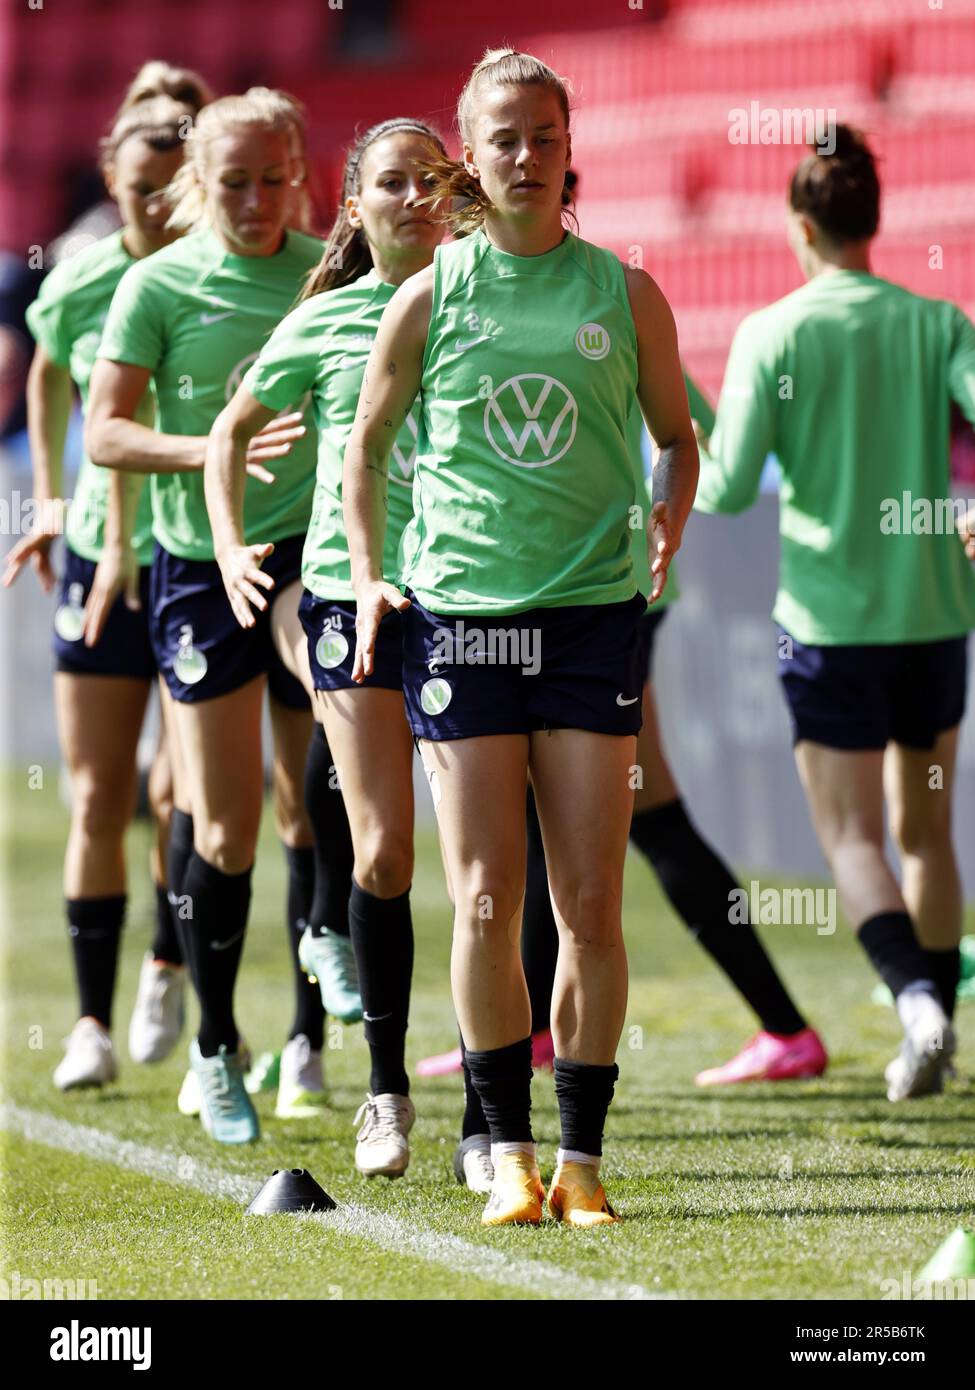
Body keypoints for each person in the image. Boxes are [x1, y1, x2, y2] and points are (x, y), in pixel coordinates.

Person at [344, 48, 698, 1225]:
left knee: (589, 904)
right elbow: (367, 445)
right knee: (487, 896)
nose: (526, 156)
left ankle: (583, 1161)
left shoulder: (623, 291)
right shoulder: (431, 293)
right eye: (504, 138)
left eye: (545, 135)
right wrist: (367, 570)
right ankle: (505, 1153)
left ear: (567, 146)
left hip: (594, 621)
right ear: (471, 157)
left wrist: (668, 512)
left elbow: (678, 435)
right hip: (460, 626)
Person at [447, 376, 828, 1193]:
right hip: (571, 595)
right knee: (595, 820)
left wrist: (654, 515)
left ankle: (783, 1027)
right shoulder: (561, 303)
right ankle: (547, 1039)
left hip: (610, 597)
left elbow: (699, 440)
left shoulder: (615, 307)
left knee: (637, 819)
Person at [694, 125, 975, 1102]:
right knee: (928, 832)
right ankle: (935, 1020)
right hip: (936, 615)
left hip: (828, 625)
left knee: (853, 839)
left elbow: (727, 491)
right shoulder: (938, 323)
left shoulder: (772, 333)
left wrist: (685, 422)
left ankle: (915, 1004)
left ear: (797, 225)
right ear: (873, 220)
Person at [208, 118, 447, 1176]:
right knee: (384, 850)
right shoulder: (328, 319)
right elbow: (229, 430)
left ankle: (501, 1116)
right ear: (353, 205)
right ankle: (384, 1090)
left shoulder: (493, 307)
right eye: (390, 183)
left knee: (507, 868)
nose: (412, 199)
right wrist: (226, 547)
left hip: (480, 601)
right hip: (357, 602)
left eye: (430, 183)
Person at [86, 88, 324, 1141]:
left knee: (318, 808)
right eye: (235, 181)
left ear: (302, 174)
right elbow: (103, 432)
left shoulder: (330, 273)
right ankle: (217, 1044)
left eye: (277, 177)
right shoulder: (156, 283)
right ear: (198, 181)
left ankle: (316, 1038)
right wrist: (214, 447)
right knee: (221, 829)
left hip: (315, 561)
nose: (260, 198)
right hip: (198, 566)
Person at [3, 62, 213, 1090]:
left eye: (177, 183)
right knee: (96, 792)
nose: (159, 204)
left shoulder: (230, 276)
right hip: (97, 551)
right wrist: (47, 499)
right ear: (110, 179)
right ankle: (88, 1021)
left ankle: (170, 966)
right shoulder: (82, 279)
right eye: (141, 186)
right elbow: (45, 372)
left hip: (189, 550)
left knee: (184, 792)